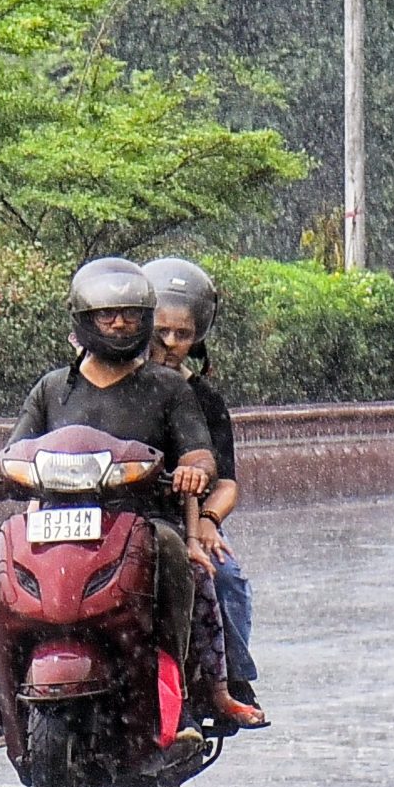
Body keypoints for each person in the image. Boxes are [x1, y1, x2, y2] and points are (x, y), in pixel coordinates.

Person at [0, 260, 218, 753]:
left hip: (140, 523)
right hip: (51, 527)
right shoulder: (53, 388)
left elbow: (199, 453)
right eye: (105, 315)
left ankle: (174, 699)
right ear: (84, 319)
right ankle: (1, 698)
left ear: (145, 318)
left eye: (129, 314)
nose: (118, 324)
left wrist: (194, 471)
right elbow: (15, 456)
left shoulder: (169, 388)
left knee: (172, 552)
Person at [144, 257, 266, 727]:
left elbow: (224, 480)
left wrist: (208, 522)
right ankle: (4, 695)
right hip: (108, 511)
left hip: (183, 518)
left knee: (225, 577)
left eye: (182, 334)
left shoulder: (203, 399)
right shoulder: (97, 383)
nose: (170, 343)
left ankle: (230, 677)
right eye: (160, 332)